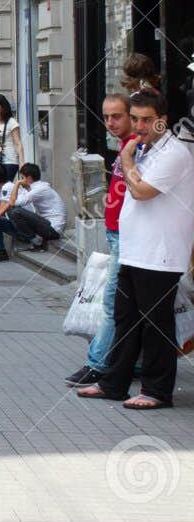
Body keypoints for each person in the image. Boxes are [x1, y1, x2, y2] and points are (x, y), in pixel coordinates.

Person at [78, 90, 194, 410]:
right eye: (137, 119)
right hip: (134, 250)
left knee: (155, 323)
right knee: (125, 318)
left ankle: (157, 390)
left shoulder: (174, 153)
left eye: (147, 120)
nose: (140, 126)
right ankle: (113, 382)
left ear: (162, 121)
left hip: (160, 253)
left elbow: (141, 191)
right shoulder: (144, 149)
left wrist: (127, 158)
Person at [68, 94, 133, 388]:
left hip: (126, 234)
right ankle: (131, 360)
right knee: (125, 302)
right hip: (114, 229)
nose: (110, 123)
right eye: (106, 117)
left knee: (111, 302)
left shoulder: (134, 146)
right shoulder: (123, 146)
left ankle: (98, 363)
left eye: (116, 116)